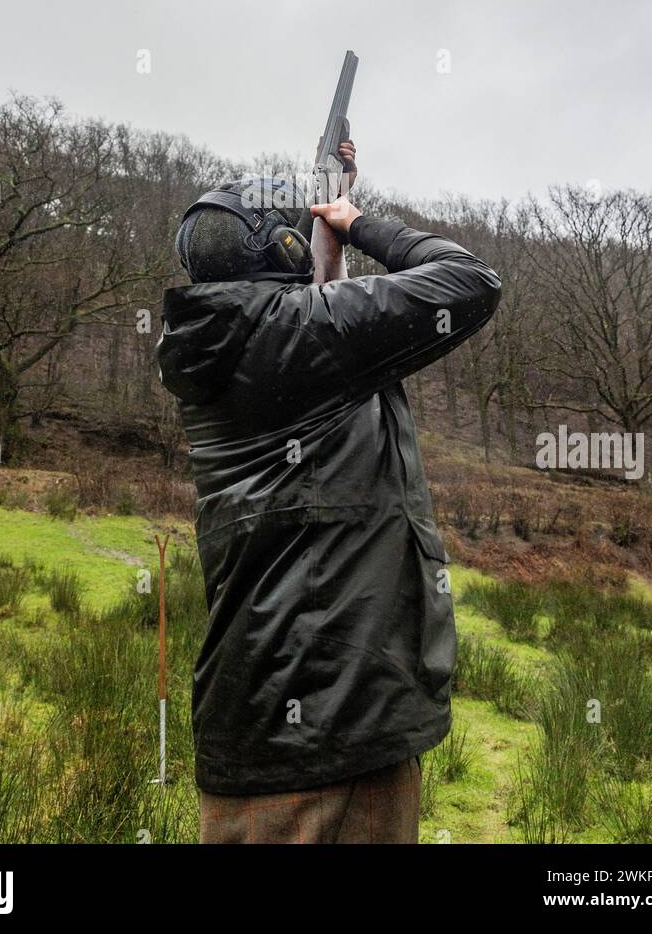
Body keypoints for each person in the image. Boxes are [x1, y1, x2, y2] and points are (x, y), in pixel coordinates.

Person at [157, 141, 502, 843]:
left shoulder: (207, 341)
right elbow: (471, 280)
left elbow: (310, 321)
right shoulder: (301, 332)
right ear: (285, 253)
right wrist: (355, 219)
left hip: (263, 718)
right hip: (332, 716)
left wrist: (325, 239)